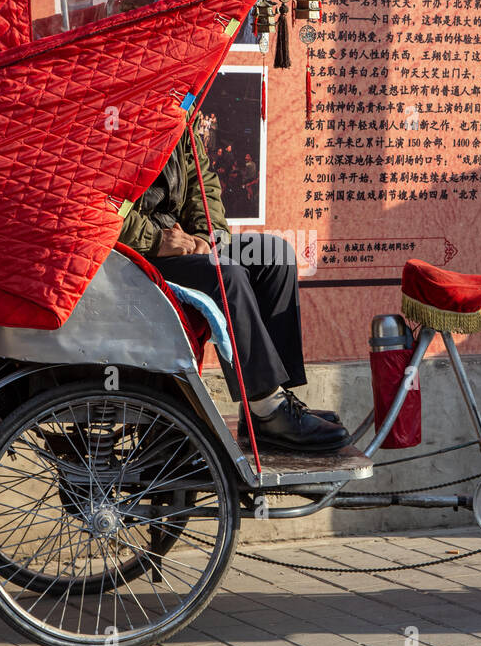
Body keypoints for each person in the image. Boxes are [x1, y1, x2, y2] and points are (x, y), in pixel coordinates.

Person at [117, 114, 350, 453]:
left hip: (178, 243)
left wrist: (206, 236)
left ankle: (271, 402)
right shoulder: (108, 114)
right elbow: (96, 203)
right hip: (130, 252)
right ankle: (267, 405)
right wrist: (155, 240)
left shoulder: (174, 115)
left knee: (274, 256)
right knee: (227, 275)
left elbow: (202, 183)